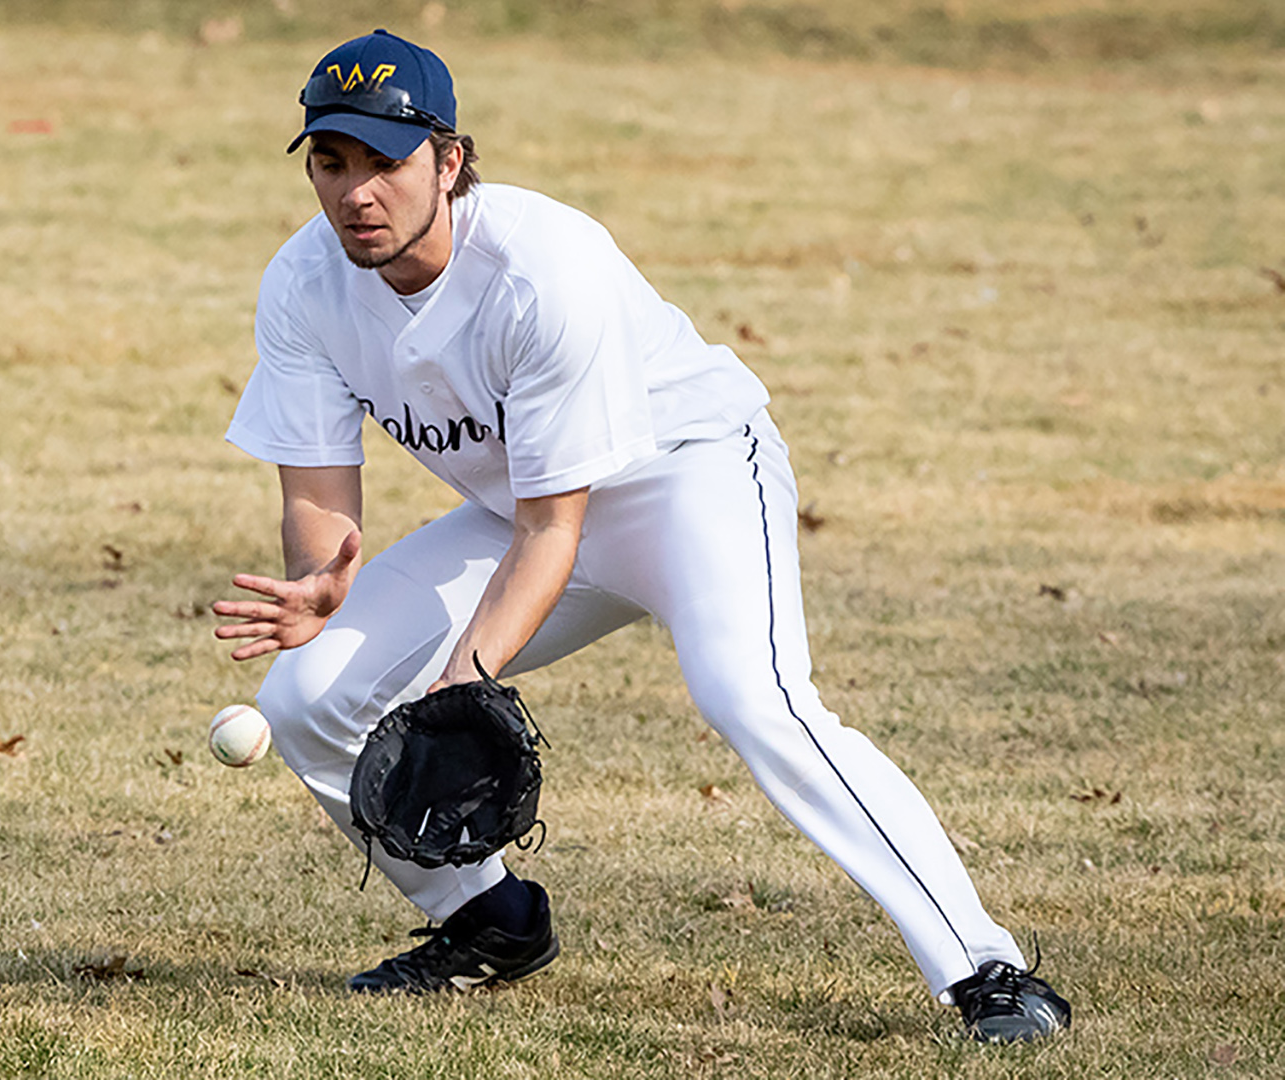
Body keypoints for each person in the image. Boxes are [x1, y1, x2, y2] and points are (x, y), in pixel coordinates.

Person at [212, 29, 1071, 1042]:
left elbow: (553, 528)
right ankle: (487, 921)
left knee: (756, 699)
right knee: (307, 695)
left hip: (686, 475)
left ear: (450, 161)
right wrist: (320, 582)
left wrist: (459, 686)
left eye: (387, 162)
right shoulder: (306, 283)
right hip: (521, 512)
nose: (357, 192)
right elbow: (323, 493)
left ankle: (988, 971)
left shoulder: (542, 269)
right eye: (331, 161)